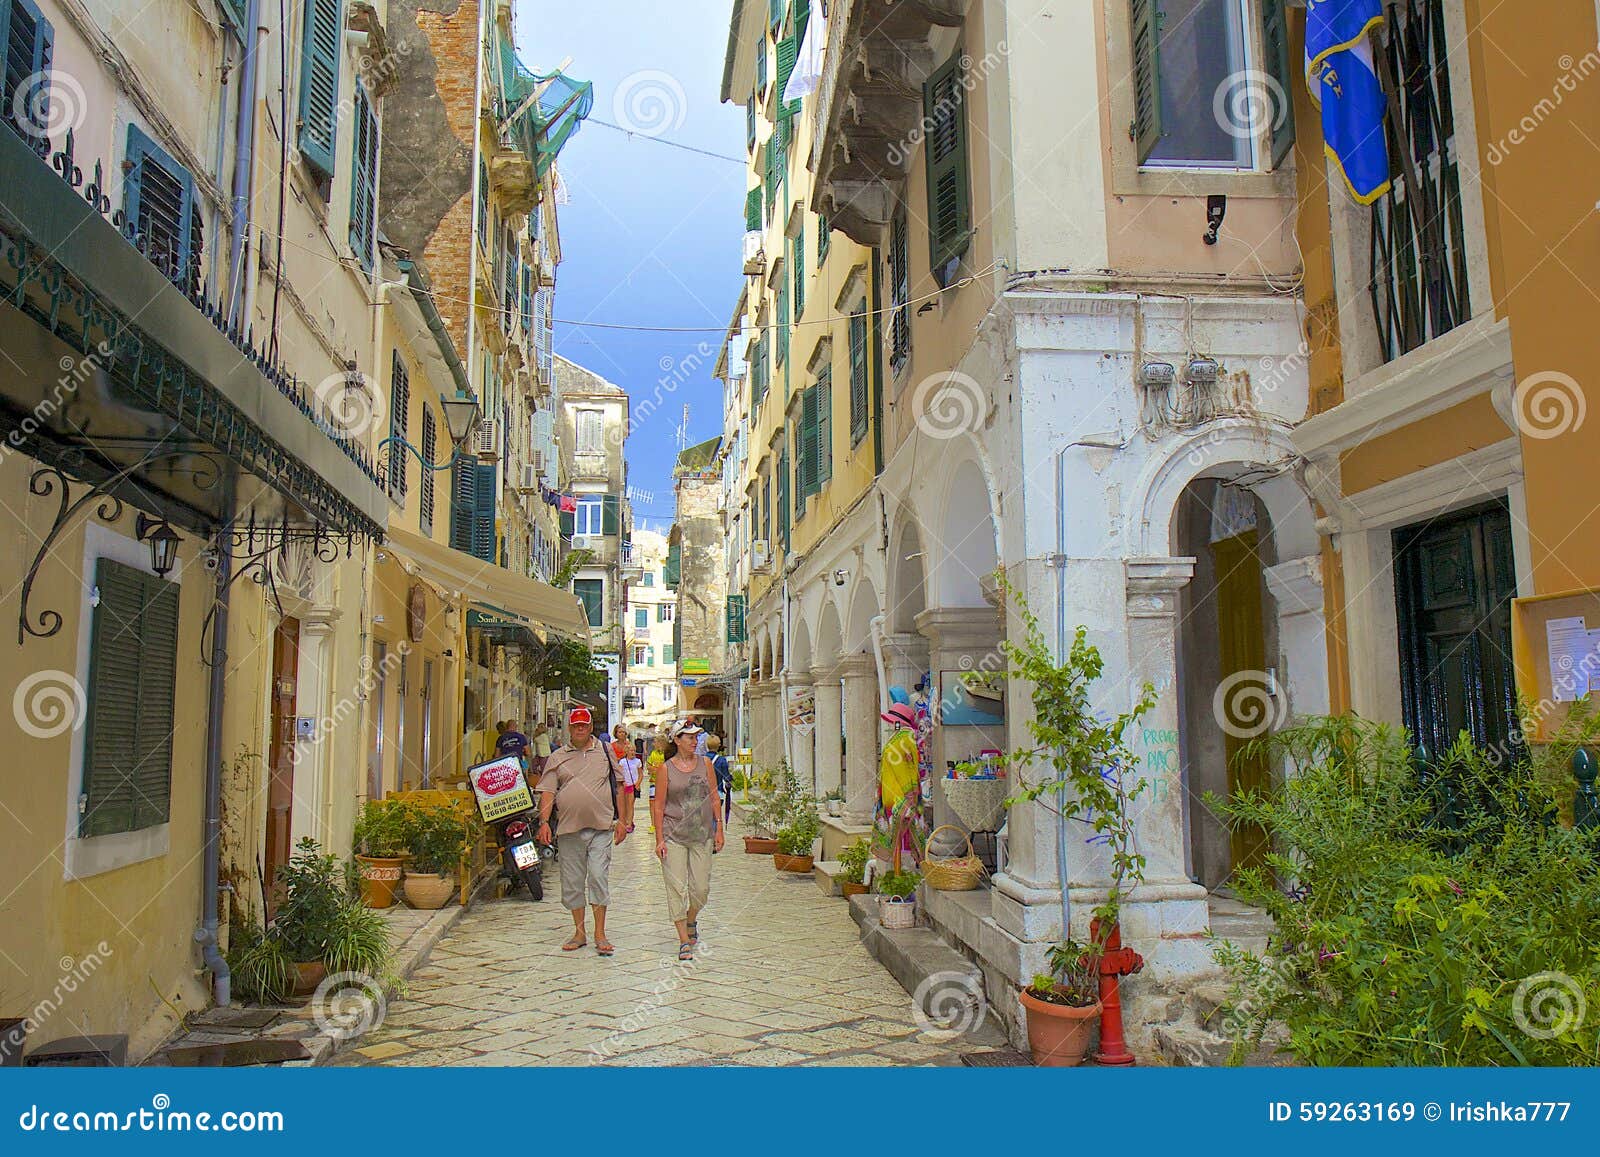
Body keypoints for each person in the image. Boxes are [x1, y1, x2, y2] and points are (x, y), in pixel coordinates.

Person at [536, 706, 627, 956]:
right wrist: (544, 822)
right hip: (569, 829)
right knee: (573, 882)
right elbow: (548, 791)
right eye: (575, 725)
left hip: (601, 827)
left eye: (584, 725)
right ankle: (579, 932)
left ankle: (600, 932)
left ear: (590, 727)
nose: (579, 729)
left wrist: (623, 821)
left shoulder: (605, 751)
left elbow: (620, 786)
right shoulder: (558, 756)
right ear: (569, 728)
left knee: (598, 876)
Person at [652, 720, 724, 959]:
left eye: (696, 737)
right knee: (676, 887)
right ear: (677, 740)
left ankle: (691, 918)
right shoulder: (666, 769)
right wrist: (659, 839)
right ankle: (683, 939)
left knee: (700, 889)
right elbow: (659, 805)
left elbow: (714, 797)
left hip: (702, 834)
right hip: (674, 835)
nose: (695, 741)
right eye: (690, 737)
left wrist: (719, 828)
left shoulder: (705, 764)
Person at [612, 725, 641, 833]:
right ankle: (623, 821)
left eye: (624, 732)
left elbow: (639, 770)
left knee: (630, 803)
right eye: (620, 732)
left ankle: (629, 822)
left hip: (630, 781)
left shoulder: (629, 745)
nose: (622, 734)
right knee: (620, 802)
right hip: (618, 778)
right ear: (616, 733)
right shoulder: (613, 746)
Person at [707, 735, 733, 826]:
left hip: (704, 793)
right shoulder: (722, 760)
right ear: (718, 746)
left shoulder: (702, 759)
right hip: (718, 793)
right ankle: (713, 836)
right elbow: (726, 777)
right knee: (715, 817)